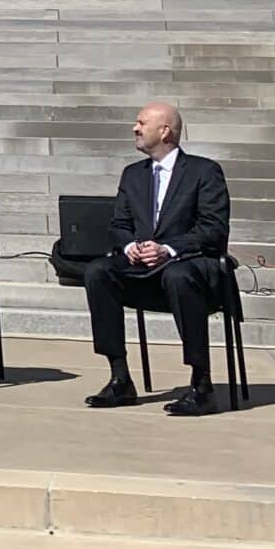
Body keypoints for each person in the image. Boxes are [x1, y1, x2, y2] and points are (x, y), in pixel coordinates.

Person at [84, 102, 230, 417]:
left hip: (190, 270)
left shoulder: (204, 172)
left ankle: (201, 384)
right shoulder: (133, 175)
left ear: (164, 131)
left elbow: (213, 230)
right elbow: (119, 226)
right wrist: (131, 246)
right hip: (144, 272)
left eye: (141, 123)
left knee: (177, 276)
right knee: (98, 272)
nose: (134, 128)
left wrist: (168, 248)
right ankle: (120, 378)